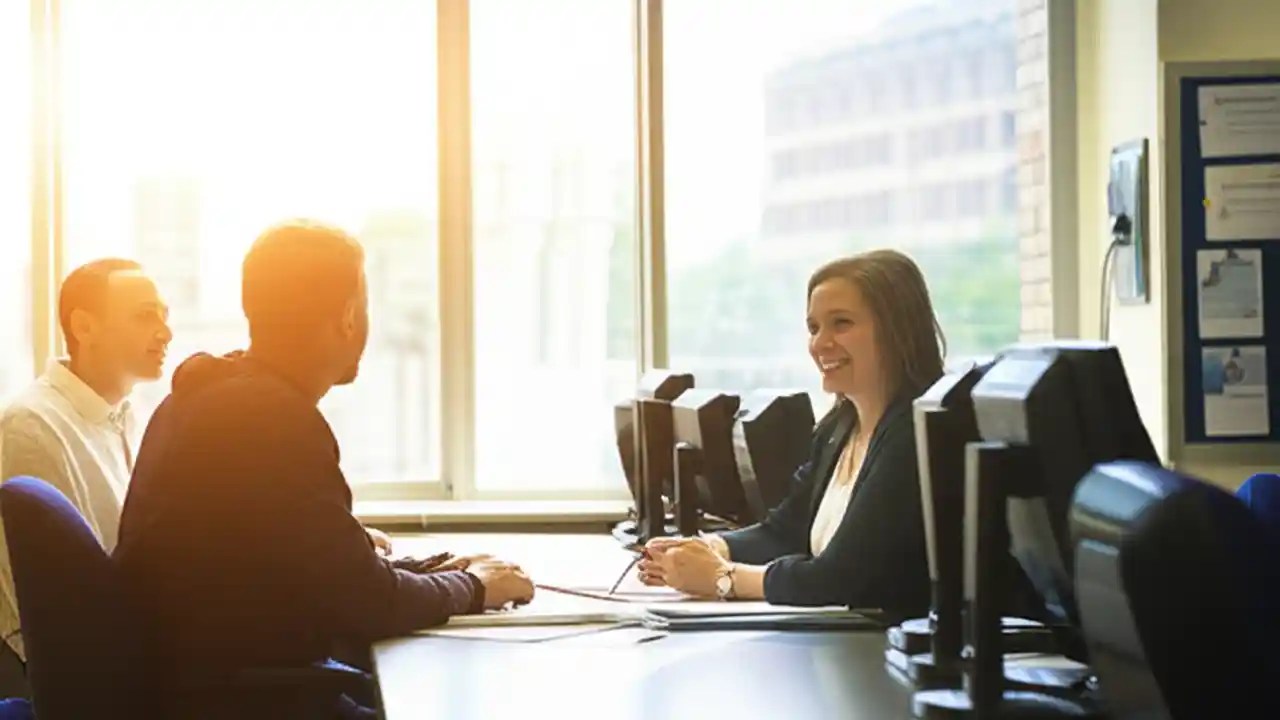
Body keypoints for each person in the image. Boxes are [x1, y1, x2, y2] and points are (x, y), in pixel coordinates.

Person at [114, 220, 533, 718]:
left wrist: (421, 573)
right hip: (237, 699)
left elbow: (317, 571)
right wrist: (477, 587)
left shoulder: (212, 394)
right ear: (349, 318)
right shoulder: (271, 419)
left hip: (201, 682)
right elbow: (365, 604)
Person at [638, 250, 942, 617]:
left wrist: (724, 578)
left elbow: (837, 578)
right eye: (814, 328)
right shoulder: (838, 428)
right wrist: (709, 548)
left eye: (841, 323)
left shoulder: (913, 435)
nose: (819, 344)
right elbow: (784, 532)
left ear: (898, 329)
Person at [0, 258, 172, 698]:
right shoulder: (31, 427)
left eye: (165, 315)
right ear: (84, 326)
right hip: (70, 679)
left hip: (125, 647)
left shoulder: (127, 416)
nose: (165, 332)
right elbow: (37, 610)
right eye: (145, 315)